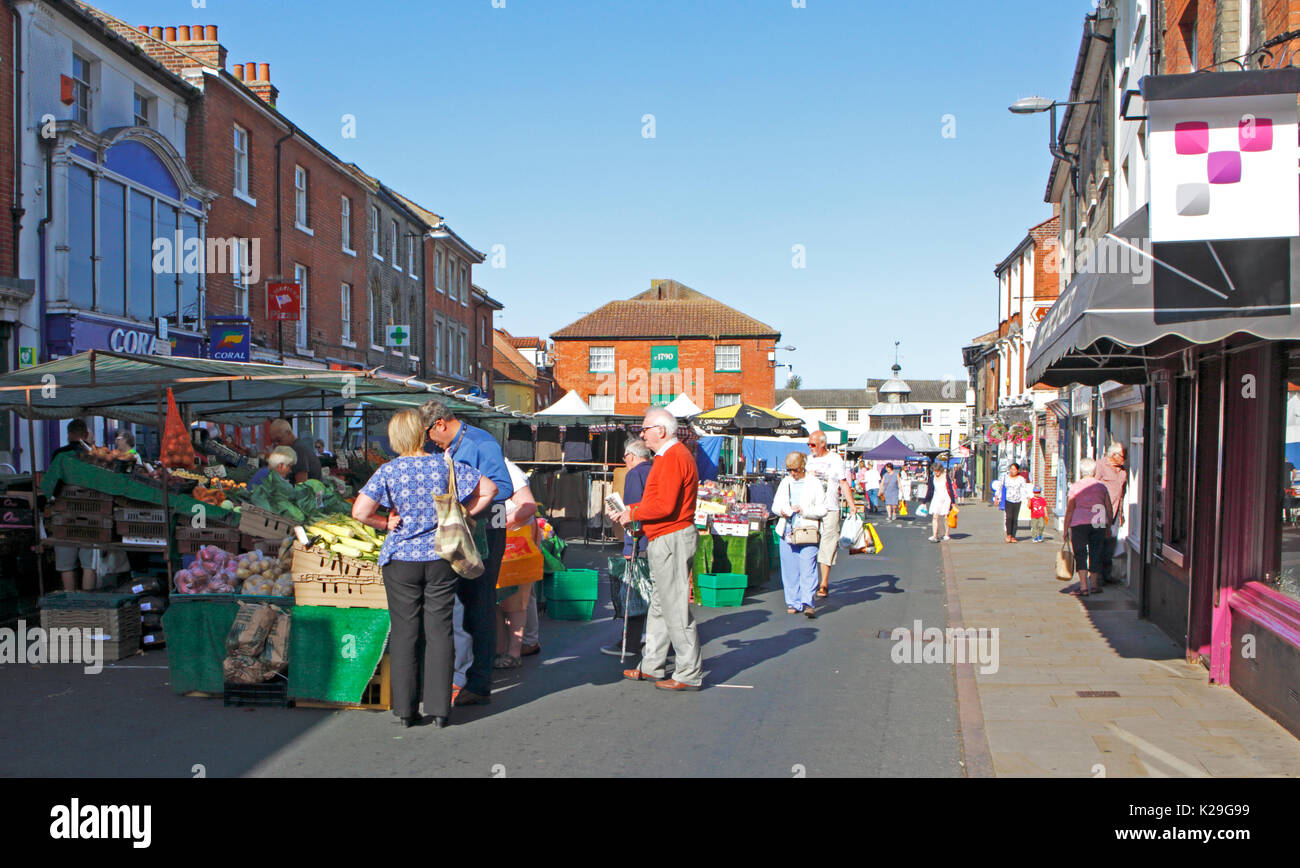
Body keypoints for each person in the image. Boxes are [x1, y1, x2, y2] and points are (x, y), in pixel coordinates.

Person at [352, 409, 497, 728]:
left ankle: (405, 710)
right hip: (441, 558)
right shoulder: (446, 466)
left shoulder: (388, 471)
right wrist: (465, 514)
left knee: (405, 632)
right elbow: (490, 489)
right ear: (422, 433)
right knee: (440, 630)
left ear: (394, 438)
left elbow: (360, 511)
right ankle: (440, 709)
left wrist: (384, 522)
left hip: (401, 559)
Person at [421, 400, 514, 707]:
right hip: (458, 531)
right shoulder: (441, 448)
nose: (429, 442)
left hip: (484, 530)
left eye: (430, 434)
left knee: (479, 602)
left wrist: (465, 507)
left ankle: (477, 681)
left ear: (440, 424)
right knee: (460, 602)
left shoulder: (480, 442)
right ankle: (462, 674)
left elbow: (502, 486)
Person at [611, 408, 703, 691]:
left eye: (646, 428)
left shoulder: (673, 457)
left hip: (671, 536)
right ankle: (652, 665)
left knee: (673, 607)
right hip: (666, 535)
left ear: (661, 431)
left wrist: (632, 512)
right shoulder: (670, 456)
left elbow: (664, 505)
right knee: (662, 605)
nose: (642, 434)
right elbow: (664, 504)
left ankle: (688, 672)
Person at [601, 437, 654, 657]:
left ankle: (630, 643)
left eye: (625, 458)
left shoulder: (635, 474)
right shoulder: (656, 470)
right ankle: (651, 640)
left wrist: (629, 546)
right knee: (655, 594)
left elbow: (633, 512)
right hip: (658, 537)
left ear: (631, 456)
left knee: (636, 592)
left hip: (641, 540)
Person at [493, 459, 539, 669]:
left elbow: (527, 507)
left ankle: (514, 651)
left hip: (516, 539)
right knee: (499, 598)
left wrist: (500, 524)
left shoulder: (508, 469)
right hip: (500, 537)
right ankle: (503, 650)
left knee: (517, 598)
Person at [772, 451, 829, 617]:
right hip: (787, 531)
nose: (792, 473)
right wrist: (783, 511)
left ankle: (808, 602)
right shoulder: (785, 482)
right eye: (790, 470)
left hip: (808, 531)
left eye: (795, 470)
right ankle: (793, 602)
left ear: (802, 467)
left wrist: (804, 511)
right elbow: (775, 505)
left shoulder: (814, 483)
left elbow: (823, 509)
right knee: (789, 571)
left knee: (807, 568)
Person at [806, 431, 857, 599]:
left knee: (828, 544)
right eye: (809, 444)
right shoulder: (808, 460)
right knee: (808, 542)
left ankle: (824, 583)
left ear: (822, 443)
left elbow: (843, 482)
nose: (810, 447)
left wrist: (851, 505)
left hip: (830, 507)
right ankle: (809, 581)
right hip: (811, 508)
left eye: (813, 444)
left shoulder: (835, 459)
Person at [50, 420, 98, 592]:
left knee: (66, 565)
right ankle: (87, 601)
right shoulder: (94, 455)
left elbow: (51, 485)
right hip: (92, 514)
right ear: (86, 435)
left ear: (69, 434)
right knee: (89, 564)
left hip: (64, 515)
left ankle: (71, 600)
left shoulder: (59, 454)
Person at [1062, 457, 1110, 596]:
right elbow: (1108, 507)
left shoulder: (1076, 487)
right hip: (1098, 521)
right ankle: (1094, 585)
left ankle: (1083, 586)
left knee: (1080, 553)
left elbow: (1070, 509)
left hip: (1079, 523)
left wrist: (1066, 528)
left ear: (1081, 471)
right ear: (1094, 471)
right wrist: (1108, 525)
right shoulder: (1101, 487)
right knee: (1096, 552)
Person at [1093, 443, 1128, 585]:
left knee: (1110, 543)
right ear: (1114, 455)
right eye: (1123, 457)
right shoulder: (1100, 465)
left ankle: (1107, 574)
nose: (1124, 460)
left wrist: (1121, 514)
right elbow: (1092, 485)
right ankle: (1097, 576)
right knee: (1099, 543)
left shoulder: (1123, 471)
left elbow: (1122, 494)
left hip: (1114, 512)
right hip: (1100, 511)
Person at [268, 419, 320, 484]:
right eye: (273, 442)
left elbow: (301, 485)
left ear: (289, 433)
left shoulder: (298, 450)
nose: (276, 445)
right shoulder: (298, 447)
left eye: (278, 440)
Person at [1001, 462, 1033, 543]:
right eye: (1011, 469)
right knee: (1009, 517)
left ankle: (1013, 536)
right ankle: (1008, 535)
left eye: (1014, 469)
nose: (1012, 471)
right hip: (1008, 500)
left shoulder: (1021, 479)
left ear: (1018, 470)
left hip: (1017, 501)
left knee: (1015, 518)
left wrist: (1028, 499)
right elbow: (1000, 487)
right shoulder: (1005, 478)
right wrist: (997, 498)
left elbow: (1024, 489)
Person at [928, 463, 956, 543]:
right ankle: (934, 535)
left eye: (937, 471)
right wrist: (924, 501)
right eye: (934, 471)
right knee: (935, 516)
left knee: (946, 516)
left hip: (946, 498)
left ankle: (947, 534)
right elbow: (930, 490)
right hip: (936, 498)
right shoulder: (932, 478)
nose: (936, 473)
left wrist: (953, 501)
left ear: (940, 470)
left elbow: (950, 489)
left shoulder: (946, 477)